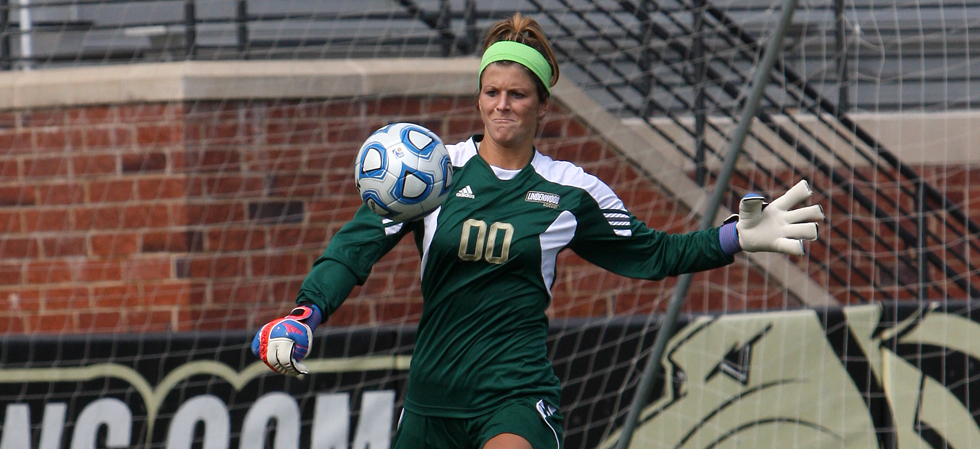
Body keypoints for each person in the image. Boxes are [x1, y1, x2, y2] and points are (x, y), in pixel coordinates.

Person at [251, 12, 824, 449]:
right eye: (491, 92)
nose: (501, 106)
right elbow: (353, 249)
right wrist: (305, 314)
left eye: (517, 95)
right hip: (432, 399)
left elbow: (655, 253)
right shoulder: (430, 174)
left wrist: (735, 237)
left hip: (515, 393)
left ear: (543, 105)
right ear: (478, 95)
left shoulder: (572, 190)